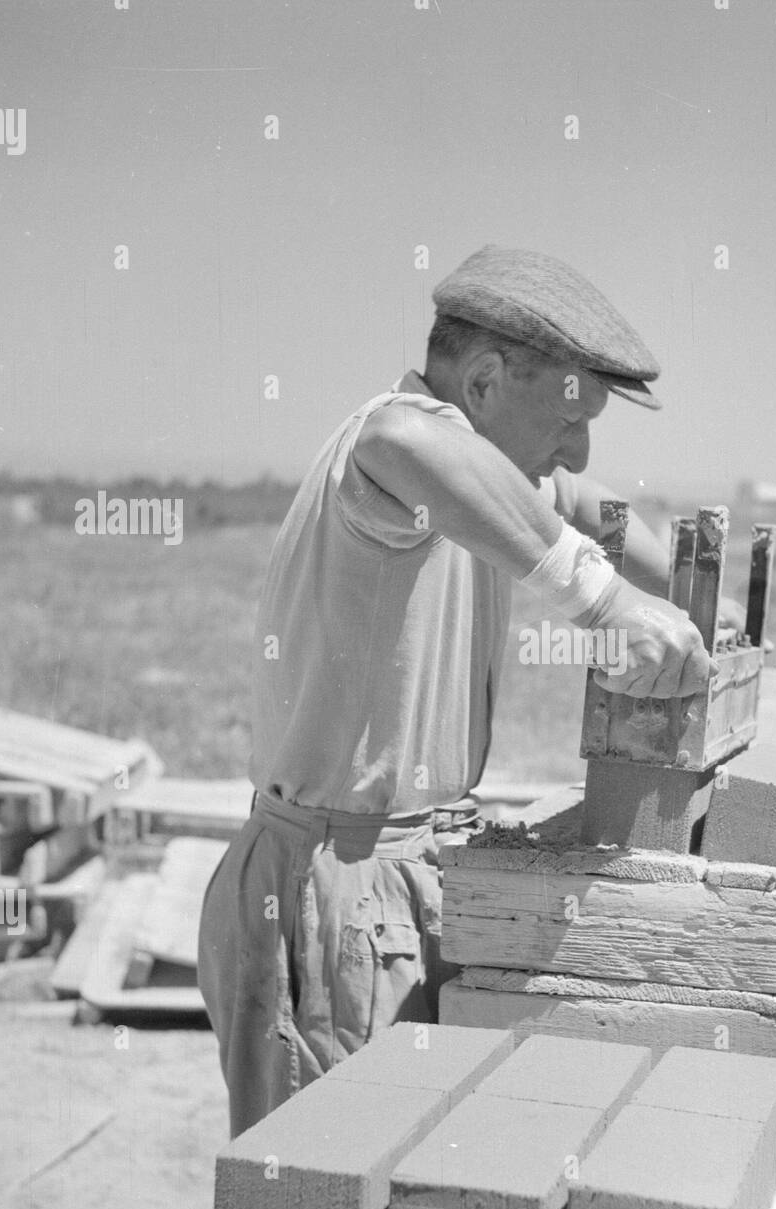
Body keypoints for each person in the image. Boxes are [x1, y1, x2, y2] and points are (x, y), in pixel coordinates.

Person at [198, 244, 736, 1137]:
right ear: (482, 382)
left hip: (412, 870)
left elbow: (584, 502)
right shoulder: (395, 447)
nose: (579, 443)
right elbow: (403, 442)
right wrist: (601, 600)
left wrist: (695, 596)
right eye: (569, 416)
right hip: (337, 879)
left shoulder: (499, 479)